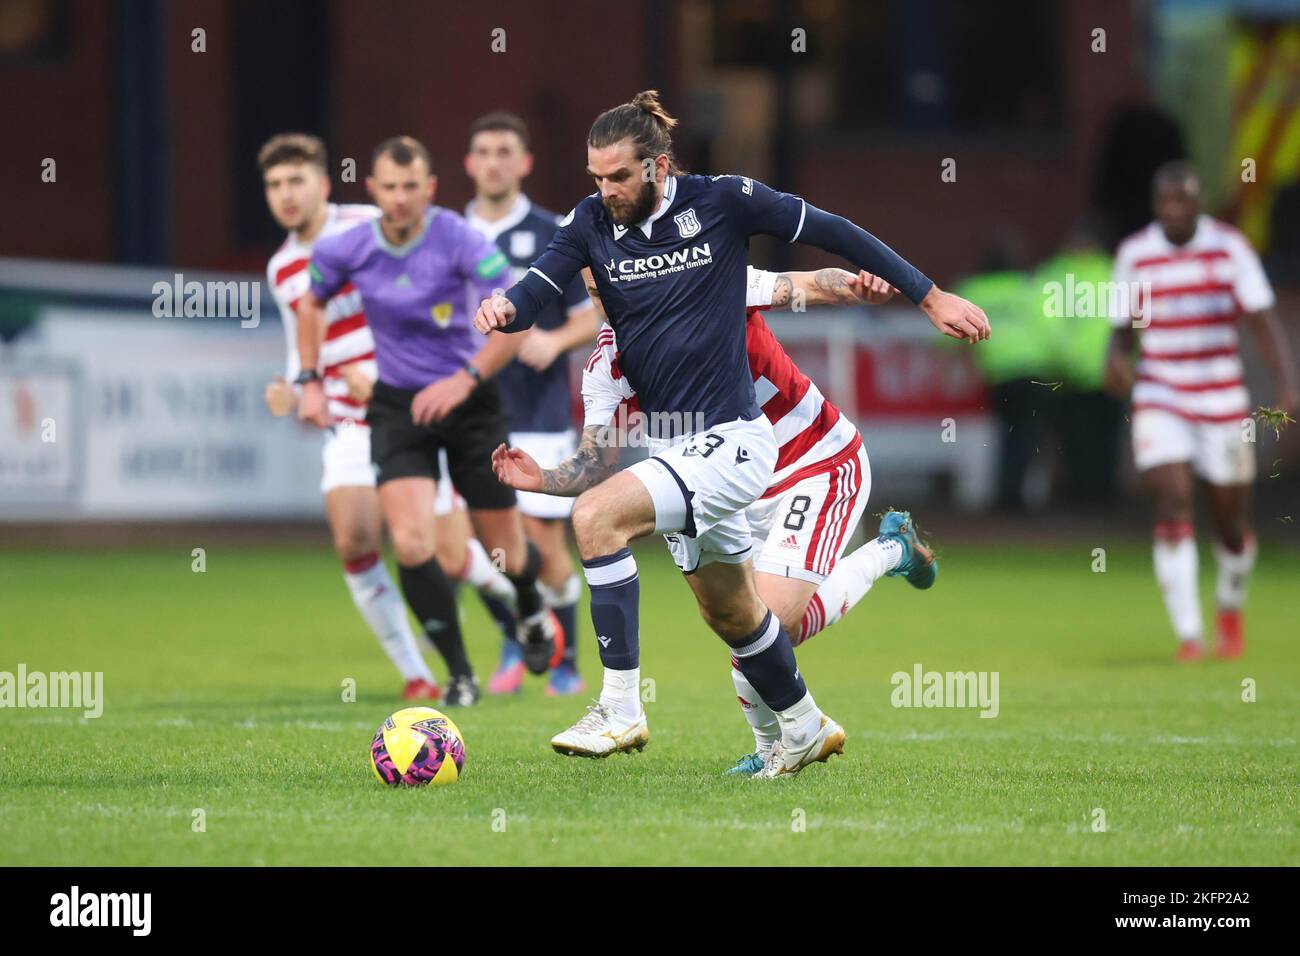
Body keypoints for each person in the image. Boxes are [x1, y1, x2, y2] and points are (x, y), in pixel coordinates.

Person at [476, 91, 988, 778]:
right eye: (595, 181)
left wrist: (911, 293)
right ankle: (800, 730)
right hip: (694, 463)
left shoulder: (716, 246)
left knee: (607, 525)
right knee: (738, 619)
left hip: (797, 456)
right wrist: (509, 320)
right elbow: (549, 319)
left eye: (618, 177)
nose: (605, 197)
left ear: (657, 167)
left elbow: (812, 268)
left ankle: (623, 708)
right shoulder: (603, 341)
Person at [500, 264, 940, 775]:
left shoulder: (706, 280)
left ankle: (891, 550)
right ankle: (777, 742)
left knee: (777, 624)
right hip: (721, 484)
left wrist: (874, 286)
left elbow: (810, 285)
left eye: (611, 286)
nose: (606, 302)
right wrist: (545, 479)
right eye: (595, 294)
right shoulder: (607, 362)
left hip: (813, 465)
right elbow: (596, 461)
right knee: (736, 618)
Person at [296, 135, 560, 706]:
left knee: (506, 552)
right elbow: (310, 303)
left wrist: (464, 378)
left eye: (410, 187)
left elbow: (512, 322)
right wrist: (309, 380)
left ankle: (533, 609)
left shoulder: (460, 239)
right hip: (399, 407)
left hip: (469, 403)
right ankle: (461, 673)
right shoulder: (345, 248)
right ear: (372, 190)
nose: (399, 199)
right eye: (388, 188)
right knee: (414, 545)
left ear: (430, 190)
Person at [259, 132, 438, 700]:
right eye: (274, 185)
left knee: (445, 550)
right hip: (348, 418)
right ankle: (419, 675)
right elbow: (299, 345)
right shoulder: (283, 267)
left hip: (413, 401)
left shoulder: (368, 223)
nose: (286, 194)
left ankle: (526, 623)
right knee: (356, 540)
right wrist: (293, 387)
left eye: (296, 181)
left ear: (323, 183)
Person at [1105, 160, 1299, 660]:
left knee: (1230, 520)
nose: (1172, 210)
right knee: (1172, 502)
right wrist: (1115, 362)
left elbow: (1262, 319)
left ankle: (1229, 604)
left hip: (1221, 398)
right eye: (1164, 202)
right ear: (1155, 205)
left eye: (1181, 201)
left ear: (1198, 204)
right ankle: (1190, 635)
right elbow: (1121, 329)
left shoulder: (1229, 248)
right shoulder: (1135, 254)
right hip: (1160, 395)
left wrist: (1288, 384)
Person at [464, 111, 599, 696]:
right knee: (480, 548)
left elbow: (593, 314)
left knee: (543, 547)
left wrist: (553, 339)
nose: (493, 161)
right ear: (469, 164)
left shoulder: (555, 229)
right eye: (483, 151)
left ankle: (564, 661)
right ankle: (519, 638)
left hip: (538, 413)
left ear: (524, 163)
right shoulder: (449, 232)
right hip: (469, 412)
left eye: (504, 151)